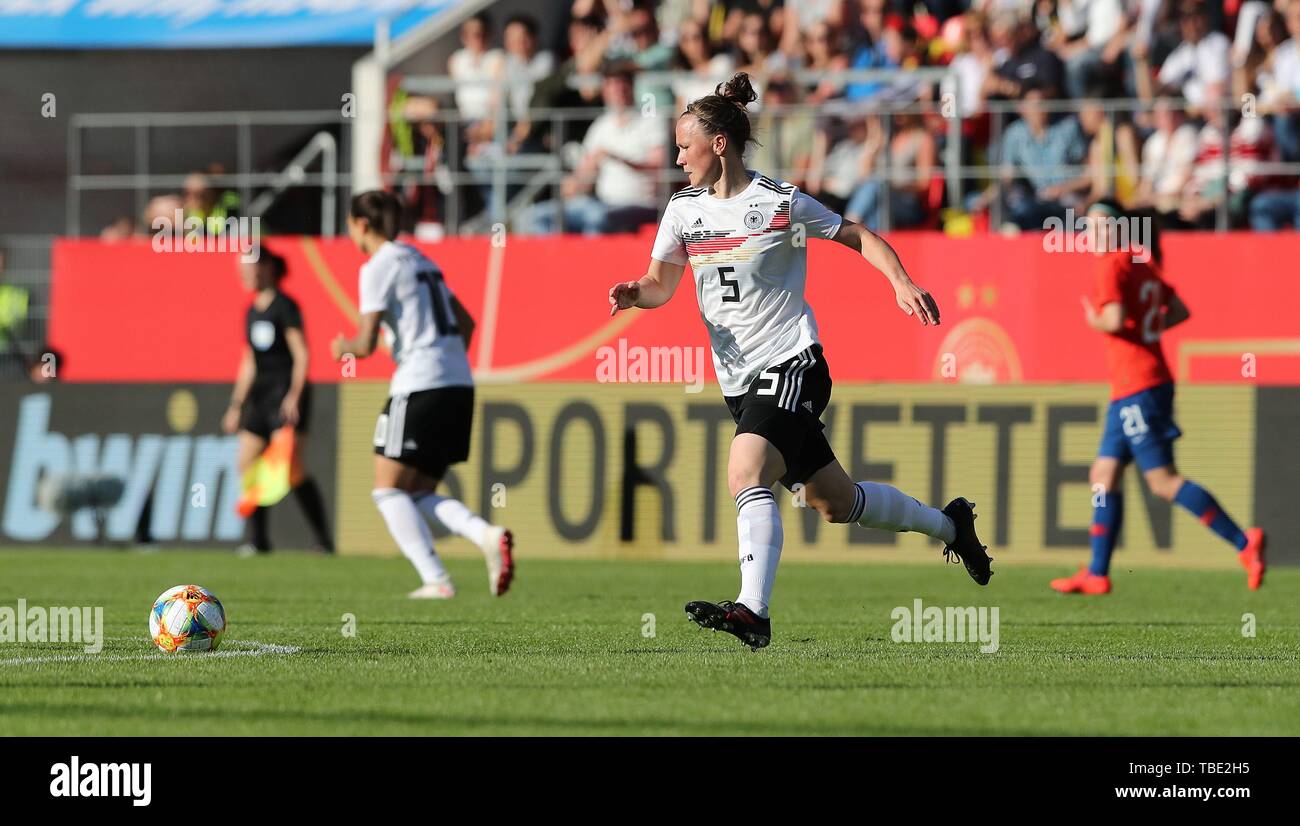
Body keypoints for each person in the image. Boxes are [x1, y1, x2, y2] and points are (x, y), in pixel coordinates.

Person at [606, 73, 992, 651]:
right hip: (740, 381)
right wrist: (636, 293)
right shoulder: (683, 211)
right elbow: (661, 285)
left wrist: (900, 282)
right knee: (834, 502)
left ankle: (752, 612)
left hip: (792, 361)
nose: (676, 156)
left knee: (745, 469)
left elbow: (856, 234)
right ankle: (950, 524)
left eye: (685, 145)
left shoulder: (779, 202)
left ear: (718, 145)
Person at [1050, 199, 1265, 595]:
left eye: (1099, 226)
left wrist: (1093, 319)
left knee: (1163, 482)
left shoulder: (1111, 264)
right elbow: (1179, 311)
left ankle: (1243, 543)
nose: (1090, 234)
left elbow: (1112, 319)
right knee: (1103, 474)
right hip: (1136, 386)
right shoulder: (1140, 262)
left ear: (1117, 230)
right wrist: (1147, 328)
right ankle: (1097, 572)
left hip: (1139, 385)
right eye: (1088, 227)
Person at [330, 191, 514, 599]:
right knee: (419, 493)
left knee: (386, 489)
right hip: (458, 383)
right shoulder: (421, 259)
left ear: (361, 224)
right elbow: (466, 323)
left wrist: (341, 345)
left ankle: (437, 579)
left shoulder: (377, 265)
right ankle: (486, 534)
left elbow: (362, 344)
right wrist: (441, 358)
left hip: (419, 383)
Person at [222, 248, 334, 555]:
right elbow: (249, 361)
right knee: (246, 464)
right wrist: (236, 404)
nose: (243, 274)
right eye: (240, 269)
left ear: (267, 267)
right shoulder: (251, 311)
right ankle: (257, 541)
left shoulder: (285, 306)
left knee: (291, 469)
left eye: (248, 267)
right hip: (259, 398)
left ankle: (323, 539)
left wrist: (294, 396)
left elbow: (302, 354)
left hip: (285, 396)